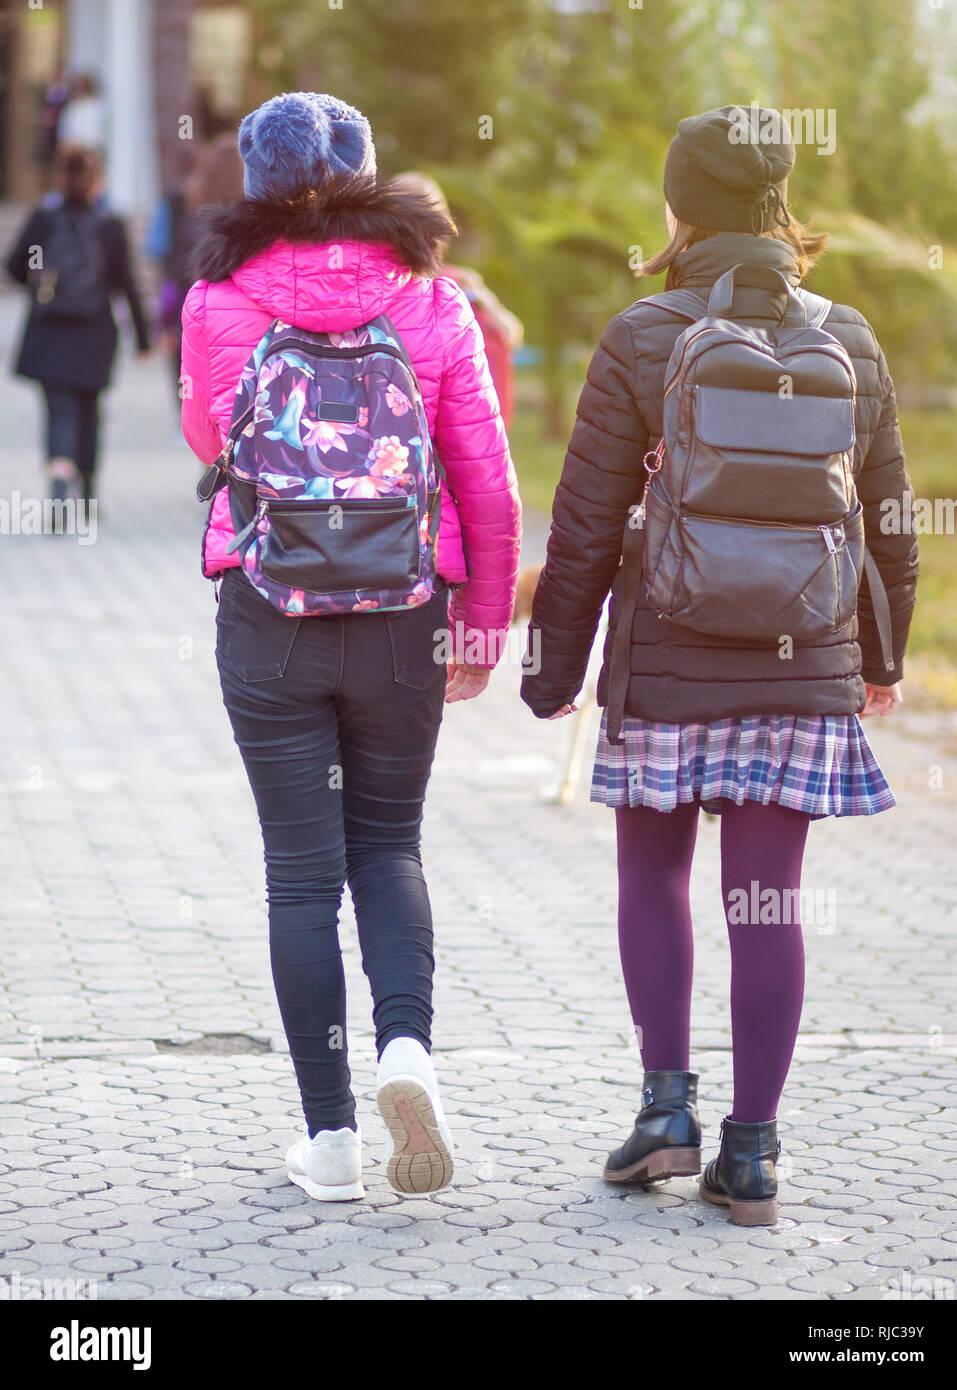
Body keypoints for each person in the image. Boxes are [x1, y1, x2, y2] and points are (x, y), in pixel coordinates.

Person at [521, 105, 918, 1226]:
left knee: (652, 878)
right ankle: (752, 1154)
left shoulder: (642, 332)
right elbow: (889, 516)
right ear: (779, 206)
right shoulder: (846, 334)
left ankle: (664, 1114)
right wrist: (878, 656)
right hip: (801, 663)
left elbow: (587, 520)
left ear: (679, 204)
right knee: (767, 898)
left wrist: (551, 673)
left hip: (667, 654)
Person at [180, 92, 521, 1200]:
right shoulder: (430, 298)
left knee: (298, 875)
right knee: (389, 848)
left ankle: (328, 1142)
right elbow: (484, 471)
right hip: (402, 614)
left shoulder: (217, 298)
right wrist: (478, 623)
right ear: (373, 173)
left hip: (270, 614)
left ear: (255, 181)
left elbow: (205, 432)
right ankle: (406, 1053)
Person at [6, 143, 150, 511]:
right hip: (94, 333)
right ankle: (87, 494)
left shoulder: (43, 219)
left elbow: (14, 266)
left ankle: (58, 485)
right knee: (90, 411)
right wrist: (143, 338)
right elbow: (126, 283)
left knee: (59, 412)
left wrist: (41, 284)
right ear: (96, 181)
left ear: (58, 177)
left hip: (49, 333)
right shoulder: (109, 225)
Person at [390, 172, 523, 425]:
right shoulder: (457, 287)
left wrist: (484, 299)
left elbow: (511, 333)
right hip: (456, 427)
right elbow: (511, 335)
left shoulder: (460, 285)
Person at [145, 133, 244, 412]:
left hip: (189, 302)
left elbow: (158, 249)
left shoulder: (181, 202)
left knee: (193, 370)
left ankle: (189, 420)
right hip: (241, 310)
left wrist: (163, 316)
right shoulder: (253, 210)